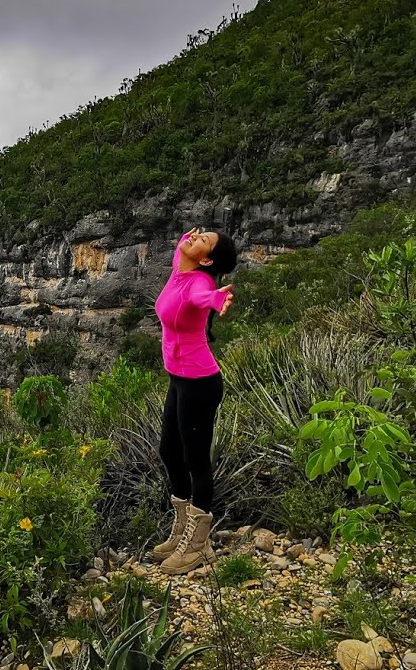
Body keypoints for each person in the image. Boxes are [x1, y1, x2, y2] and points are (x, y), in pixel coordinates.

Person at [150, 226, 238, 575]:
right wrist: (187, 240)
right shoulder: (181, 267)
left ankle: (198, 545)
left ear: (206, 261)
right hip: (179, 379)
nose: (195, 237)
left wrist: (219, 299)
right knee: (169, 451)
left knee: (195, 460)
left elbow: (206, 297)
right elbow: (181, 250)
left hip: (200, 383)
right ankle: (182, 529)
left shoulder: (199, 283)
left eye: (203, 241)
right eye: (200, 233)